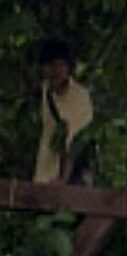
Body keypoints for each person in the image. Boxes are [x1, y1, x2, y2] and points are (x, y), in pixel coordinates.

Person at [34, 37, 92, 184]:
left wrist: (62, 180)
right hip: (44, 174)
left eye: (61, 65)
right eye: (51, 65)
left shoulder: (79, 97)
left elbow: (73, 142)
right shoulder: (45, 91)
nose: (56, 70)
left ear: (68, 67)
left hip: (70, 179)